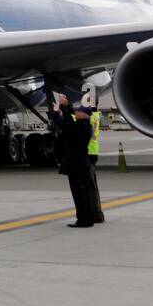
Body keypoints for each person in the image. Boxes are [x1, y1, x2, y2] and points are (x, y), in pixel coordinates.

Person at [52, 97, 96, 228]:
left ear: (83, 114)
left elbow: (64, 125)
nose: (76, 112)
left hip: (76, 164)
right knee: (84, 192)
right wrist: (64, 107)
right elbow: (70, 119)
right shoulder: (83, 125)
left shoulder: (79, 126)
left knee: (78, 193)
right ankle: (87, 218)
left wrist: (55, 112)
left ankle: (83, 220)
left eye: (78, 111)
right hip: (81, 163)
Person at [86, 106, 105, 223]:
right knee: (92, 186)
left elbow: (73, 119)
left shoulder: (90, 118)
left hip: (89, 152)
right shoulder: (95, 116)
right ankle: (96, 213)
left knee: (90, 186)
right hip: (92, 152)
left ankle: (96, 214)